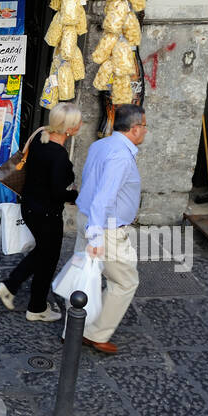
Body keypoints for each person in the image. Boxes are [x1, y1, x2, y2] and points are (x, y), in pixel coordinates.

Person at [72, 103, 147, 354]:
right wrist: (96, 236)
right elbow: (104, 197)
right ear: (135, 129)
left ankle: (72, 330)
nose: (146, 131)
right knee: (125, 282)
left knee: (87, 277)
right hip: (105, 228)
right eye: (144, 126)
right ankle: (94, 333)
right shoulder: (121, 157)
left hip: (88, 218)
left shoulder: (100, 145)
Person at [0, 103, 81, 322]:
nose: (81, 124)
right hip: (47, 213)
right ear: (70, 128)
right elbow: (56, 191)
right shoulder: (59, 155)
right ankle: (35, 307)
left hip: (31, 207)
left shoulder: (39, 140)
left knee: (43, 253)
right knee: (48, 258)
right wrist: (76, 197)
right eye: (78, 122)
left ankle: (13, 287)